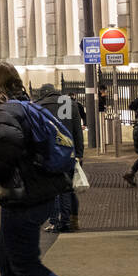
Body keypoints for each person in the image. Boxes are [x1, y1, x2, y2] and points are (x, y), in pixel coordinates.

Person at [0, 62, 102, 276]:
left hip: (23, 198)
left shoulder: (4, 111)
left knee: (26, 264)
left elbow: (3, 150)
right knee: (6, 260)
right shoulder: (27, 106)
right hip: (36, 194)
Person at [35, 85, 84, 232]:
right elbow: (77, 132)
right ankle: (66, 223)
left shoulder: (38, 106)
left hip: (48, 153)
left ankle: (55, 221)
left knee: (52, 189)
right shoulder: (70, 103)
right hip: (68, 152)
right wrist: (79, 154)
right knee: (67, 188)